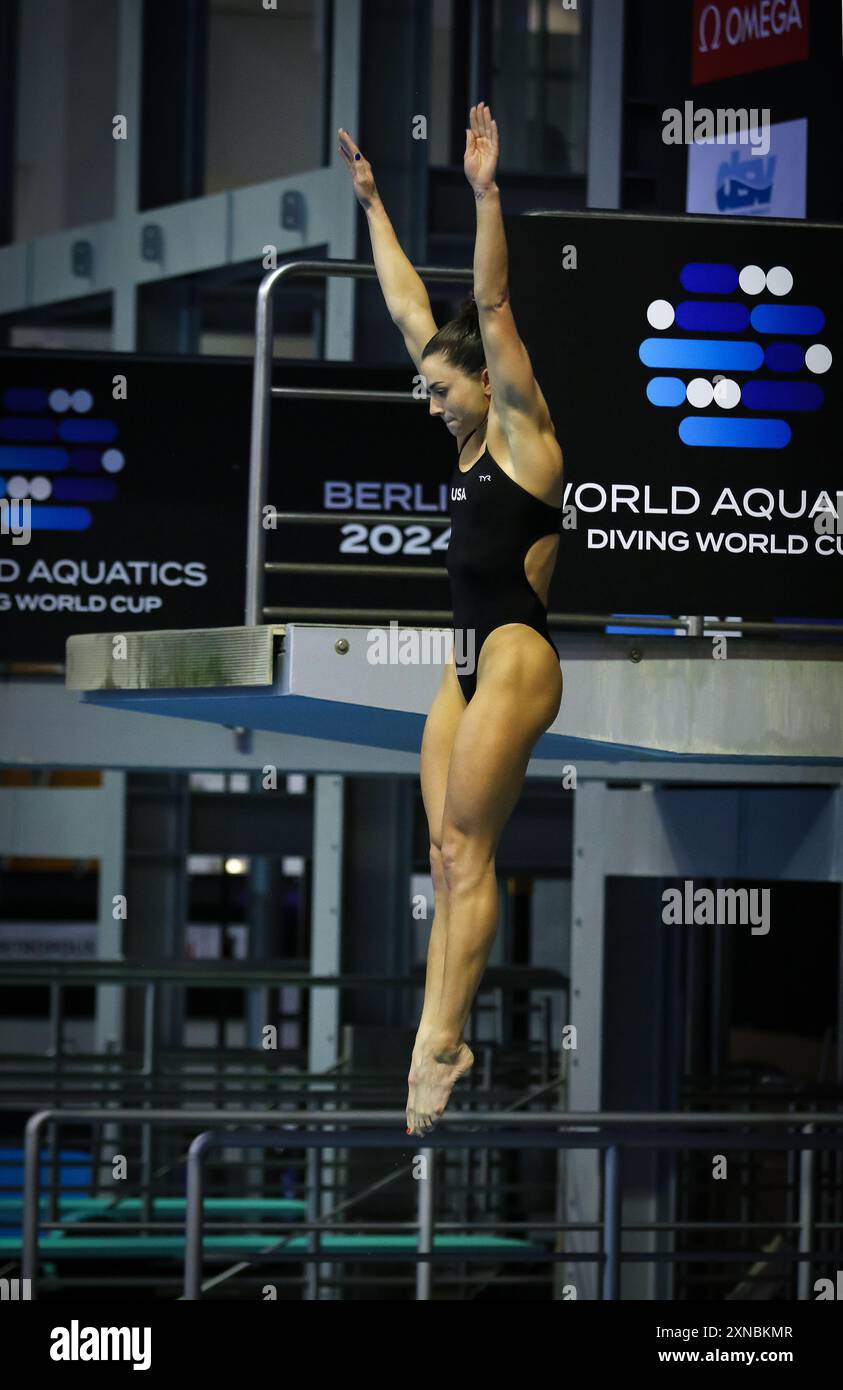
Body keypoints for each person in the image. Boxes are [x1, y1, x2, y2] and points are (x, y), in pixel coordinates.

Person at [339, 103, 564, 1137]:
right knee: (443, 848)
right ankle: (442, 1031)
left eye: (441, 389)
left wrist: (485, 197)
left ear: (489, 382)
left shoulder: (522, 437)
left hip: (516, 654)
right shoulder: (467, 435)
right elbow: (403, 307)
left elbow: (493, 298)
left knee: (469, 850)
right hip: (464, 661)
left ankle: (442, 1039)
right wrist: (376, 205)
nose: (430, 403)